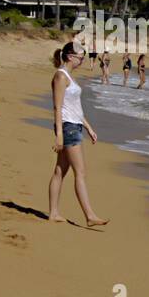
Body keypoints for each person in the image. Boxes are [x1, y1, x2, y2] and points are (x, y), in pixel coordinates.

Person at [48, 43, 108, 226]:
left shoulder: (68, 77)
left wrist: (89, 127)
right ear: (69, 56)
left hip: (74, 125)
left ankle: (53, 213)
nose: (82, 60)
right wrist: (59, 135)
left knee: (60, 171)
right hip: (68, 128)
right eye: (80, 57)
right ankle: (89, 215)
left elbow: (75, 108)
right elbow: (58, 107)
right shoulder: (60, 76)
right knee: (80, 172)